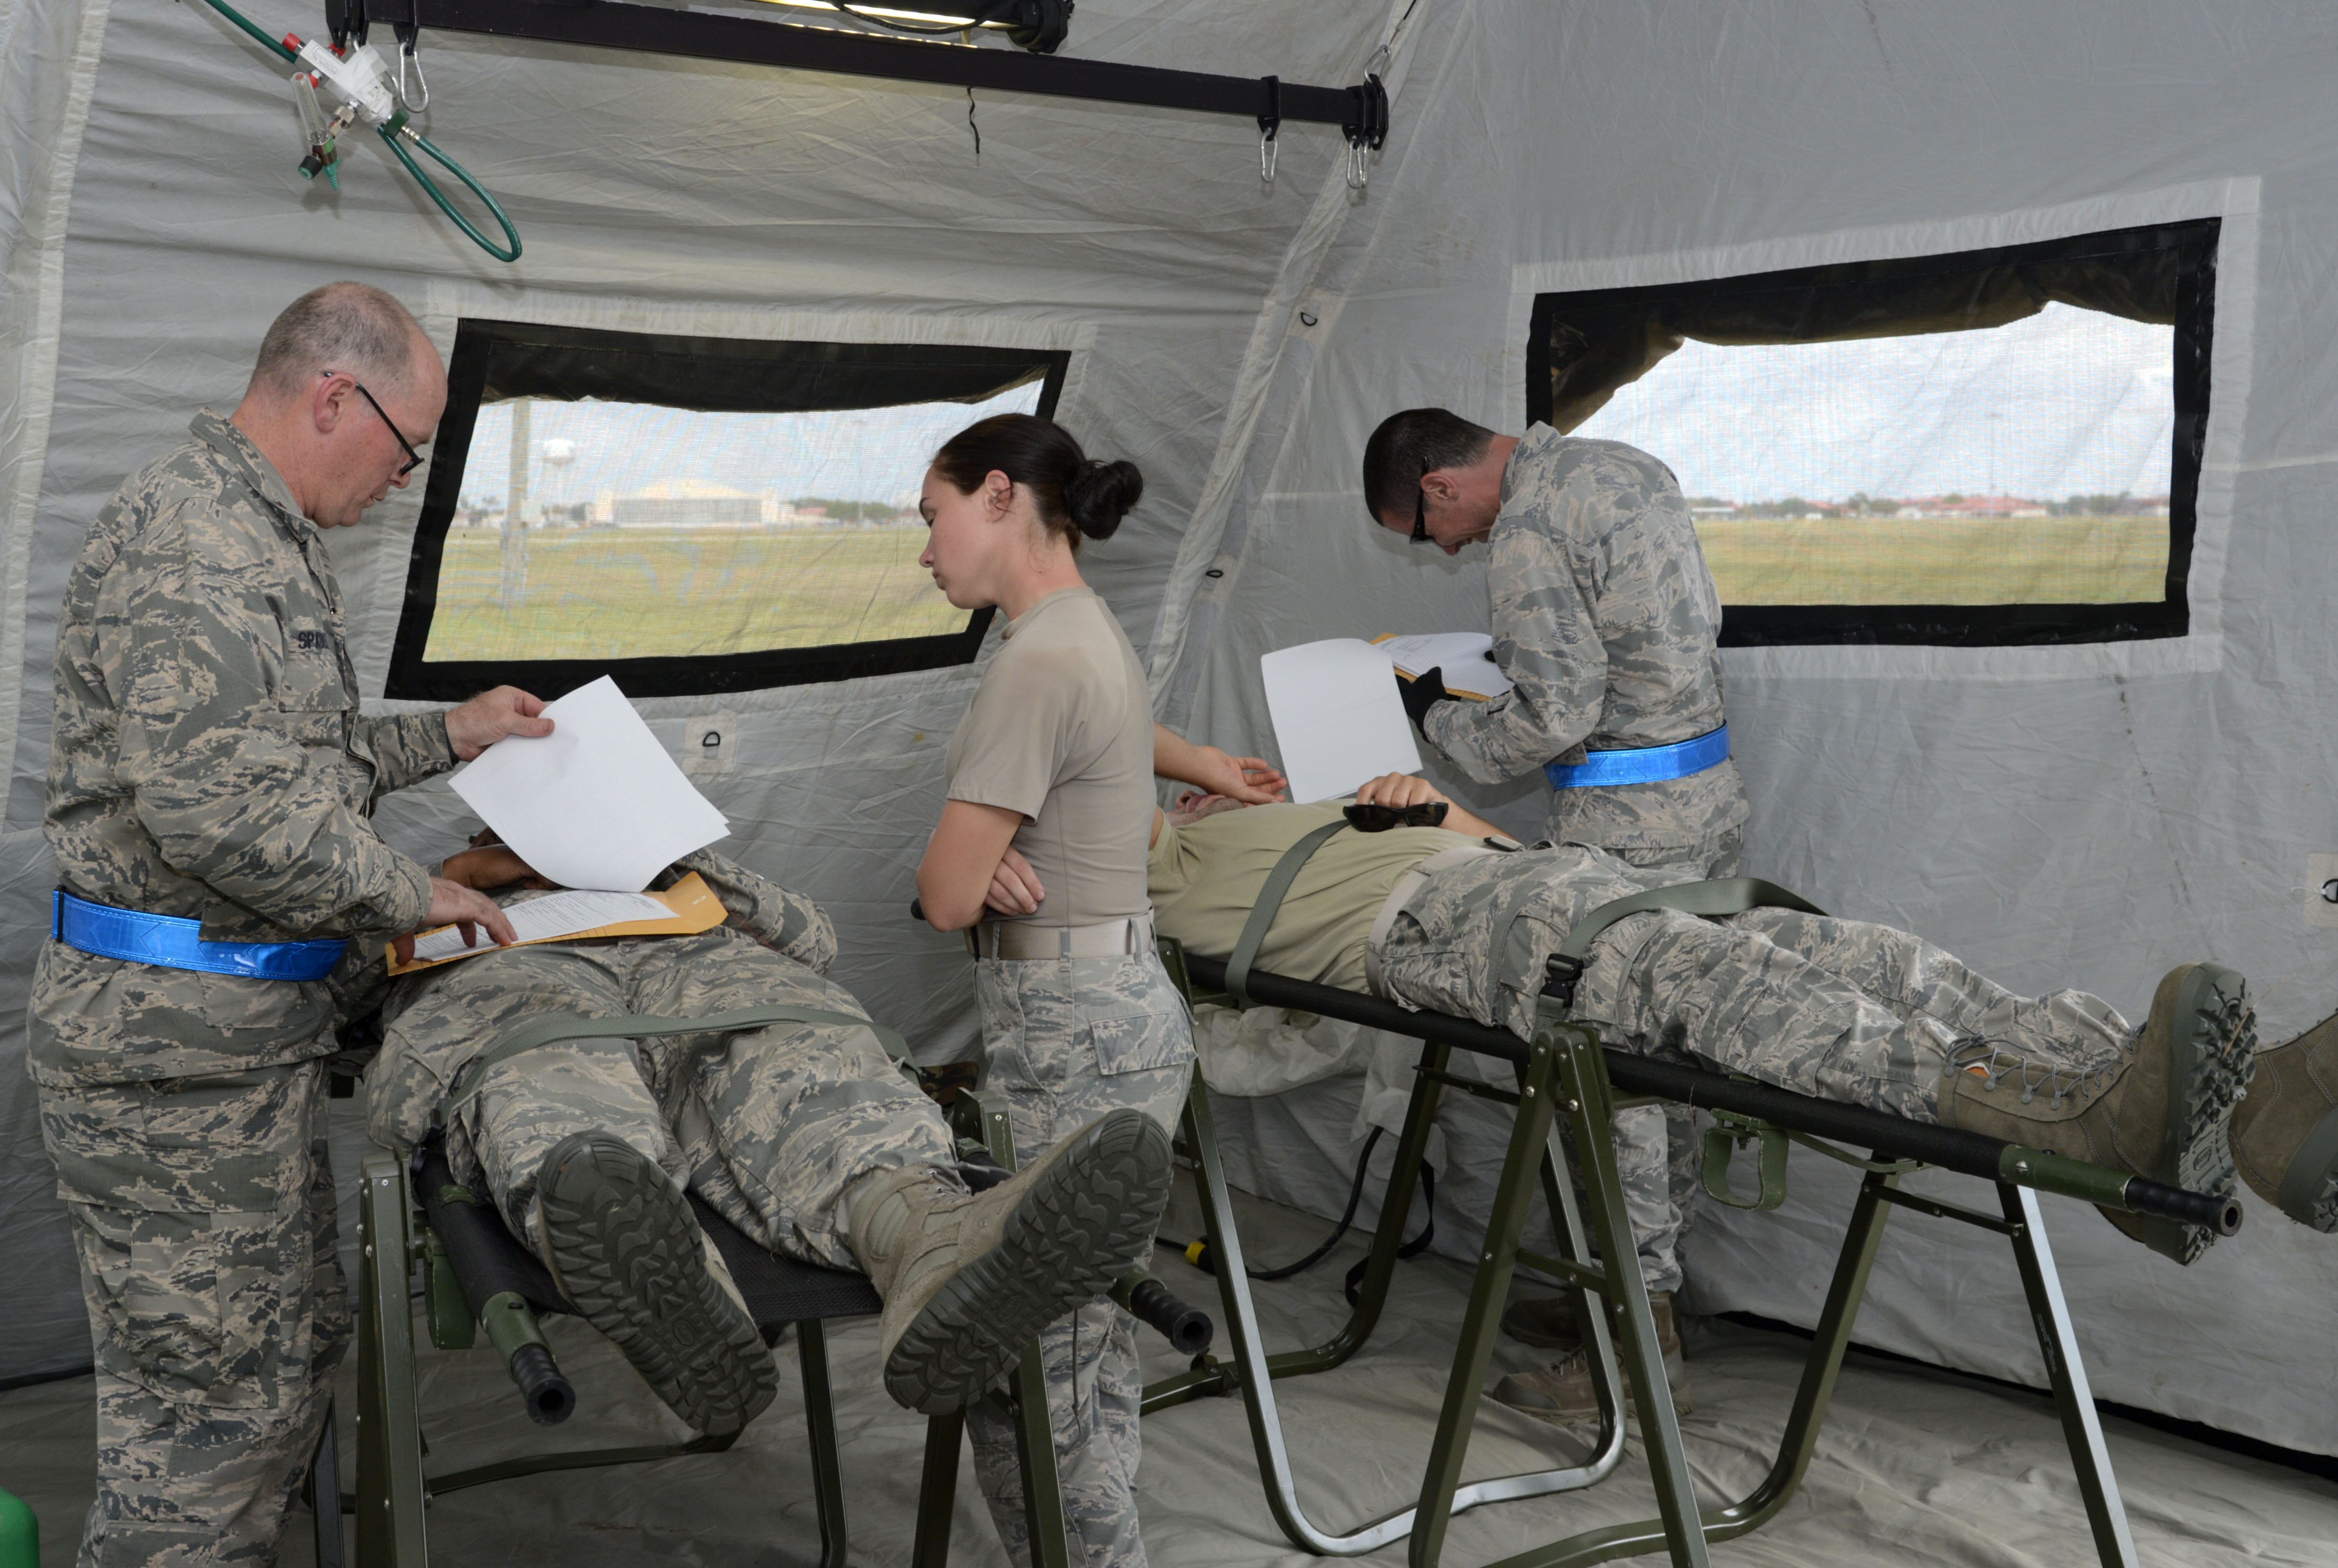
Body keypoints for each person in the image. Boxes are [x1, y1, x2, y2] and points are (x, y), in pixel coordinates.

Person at [1145, 773, 2298, 1422]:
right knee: (1721, 993)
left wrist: (1433, 806)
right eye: (1179, 786)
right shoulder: (1144, 865)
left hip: (1540, 879)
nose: (1203, 787)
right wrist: (1186, 759)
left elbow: (1502, 846)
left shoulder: (1294, 814)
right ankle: (2070, 1119)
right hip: (1449, 932)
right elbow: (1012, 817)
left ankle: (2220, 1103)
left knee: (1870, 957)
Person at [29, 283, 556, 1566]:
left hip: (229, 1049)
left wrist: (453, 730)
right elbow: (209, 802)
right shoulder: (199, 543)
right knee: (206, 1432)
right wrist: (401, 891)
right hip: (170, 1065)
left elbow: (291, 761)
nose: (400, 477)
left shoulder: (260, 532)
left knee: (283, 1365)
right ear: (336, 395)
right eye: (405, 445)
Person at [364, 836, 1173, 1440]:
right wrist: (461, 881)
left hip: (702, 971)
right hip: (517, 970)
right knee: (555, 1090)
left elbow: (813, 940)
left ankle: (923, 1238)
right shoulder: (425, 888)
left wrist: (670, 854)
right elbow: (339, 987)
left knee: (803, 1061)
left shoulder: (681, 879)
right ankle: (675, 1281)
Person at [913, 412, 1275, 1568]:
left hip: (1070, 1034)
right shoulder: (1074, 627)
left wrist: (959, 869)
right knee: (1082, 1342)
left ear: (1003, 496)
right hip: (1112, 1015)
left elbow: (946, 894)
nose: (926, 551)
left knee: (1031, 1365)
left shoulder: (1033, 657)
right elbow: (1095, 747)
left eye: (935, 516)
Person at [1363, 407, 1751, 1362]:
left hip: (1626, 837)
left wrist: (1438, 720)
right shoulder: (1626, 462)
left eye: (1429, 532)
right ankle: (1650, 1297)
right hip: (1708, 806)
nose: (1450, 549)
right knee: (1682, 1056)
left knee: (1607, 1079)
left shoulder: (1528, 530)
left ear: (1438, 486)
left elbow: (1555, 716)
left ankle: (1632, 1331)